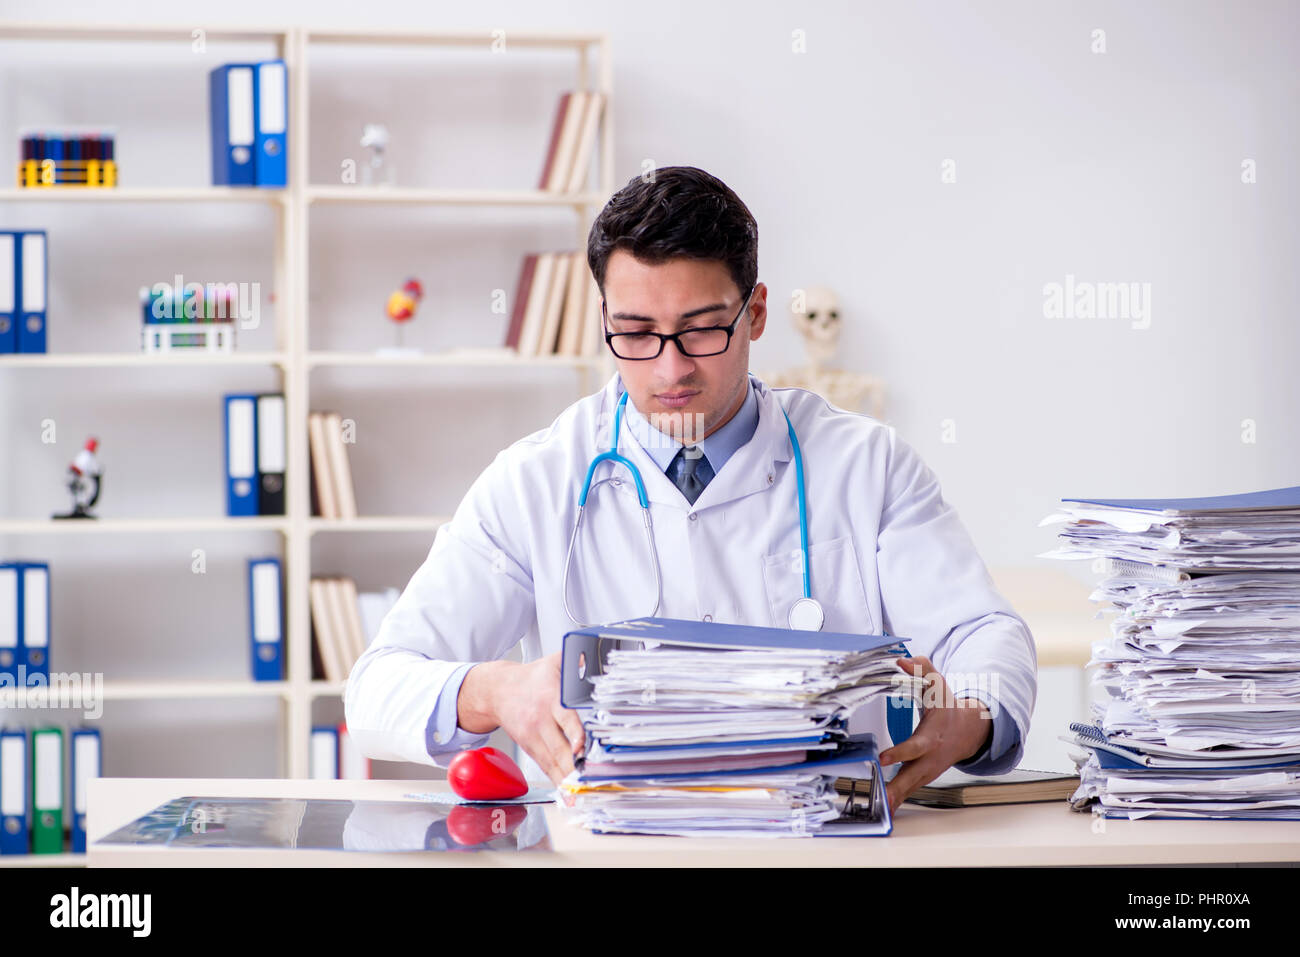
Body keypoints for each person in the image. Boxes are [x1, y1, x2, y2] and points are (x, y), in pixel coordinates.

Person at [344, 166, 1037, 815]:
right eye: (636, 332)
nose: (669, 367)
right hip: (612, 853)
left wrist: (970, 717)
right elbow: (375, 690)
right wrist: (497, 690)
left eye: (702, 329)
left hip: (819, 848)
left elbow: (984, 634)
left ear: (756, 313)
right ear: (606, 319)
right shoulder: (536, 479)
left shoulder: (868, 466)